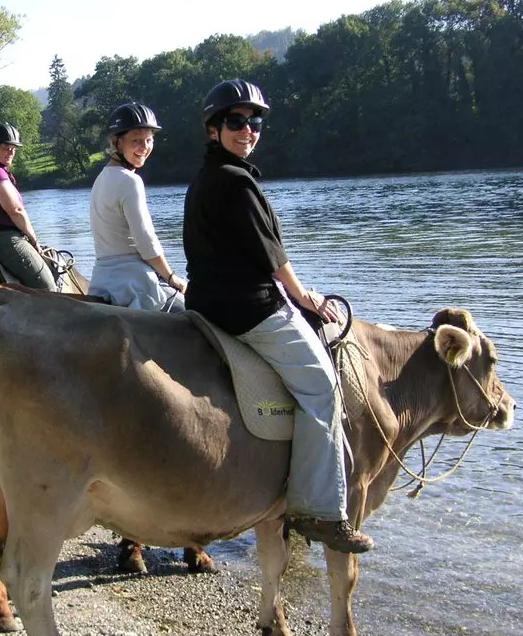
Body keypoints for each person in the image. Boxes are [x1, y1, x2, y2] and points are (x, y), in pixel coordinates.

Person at [182, 79, 374, 554]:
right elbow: (272, 257)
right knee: (321, 385)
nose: (247, 130)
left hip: (206, 301)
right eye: (236, 122)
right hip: (248, 306)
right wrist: (304, 296)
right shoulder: (236, 181)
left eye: (254, 122)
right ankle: (319, 510)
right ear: (214, 129)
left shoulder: (205, 178)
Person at [88, 102, 186, 311]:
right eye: (136, 140)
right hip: (133, 283)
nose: (145, 147)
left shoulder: (100, 179)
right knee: (198, 314)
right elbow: (145, 240)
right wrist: (170, 277)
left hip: (102, 281)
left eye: (149, 140)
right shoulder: (129, 181)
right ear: (116, 142)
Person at [0, 123, 56, 290]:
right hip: (5, 241)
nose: (11, 151)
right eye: (6, 147)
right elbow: (15, 210)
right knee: (49, 289)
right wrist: (34, 240)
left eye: (14, 148)